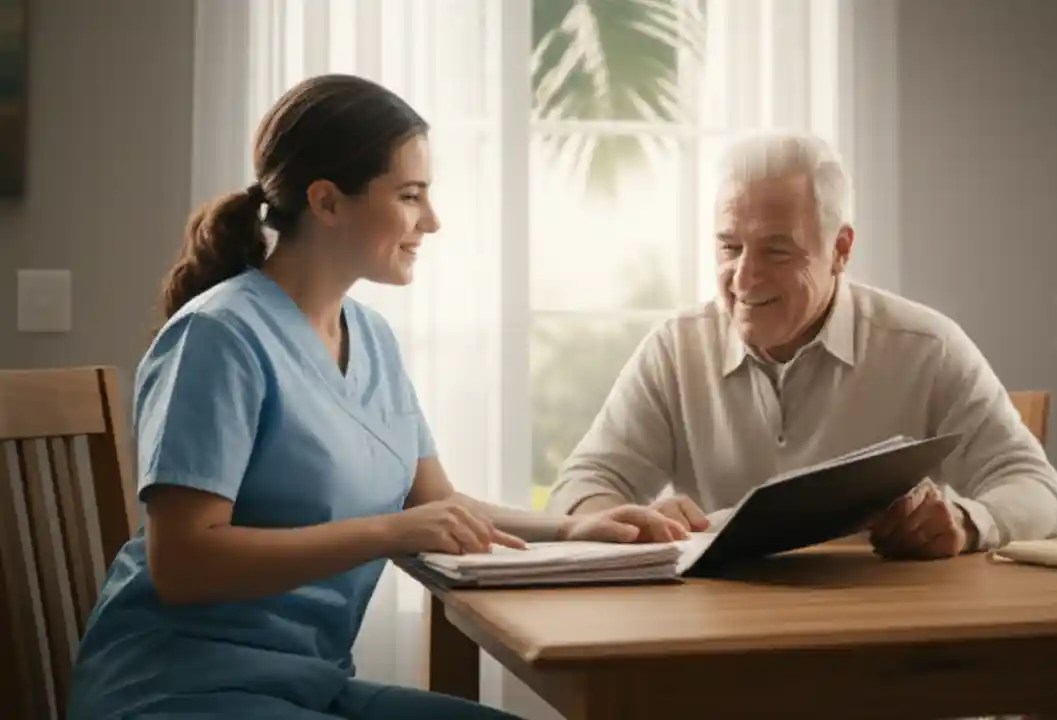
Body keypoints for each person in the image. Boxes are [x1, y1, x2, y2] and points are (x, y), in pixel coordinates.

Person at [67, 74, 686, 720]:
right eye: (411, 195)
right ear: (328, 203)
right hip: (177, 692)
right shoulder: (218, 337)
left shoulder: (372, 339)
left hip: (309, 687)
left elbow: (438, 506)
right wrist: (385, 532)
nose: (433, 221)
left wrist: (574, 527)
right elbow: (183, 563)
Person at [547, 131, 1057, 559]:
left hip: (890, 643)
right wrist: (620, 518)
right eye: (729, 247)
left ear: (840, 249)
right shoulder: (674, 349)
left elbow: (1039, 489)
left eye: (777, 251)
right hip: (712, 641)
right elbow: (583, 485)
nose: (744, 278)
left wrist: (966, 520)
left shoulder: (927, 347)